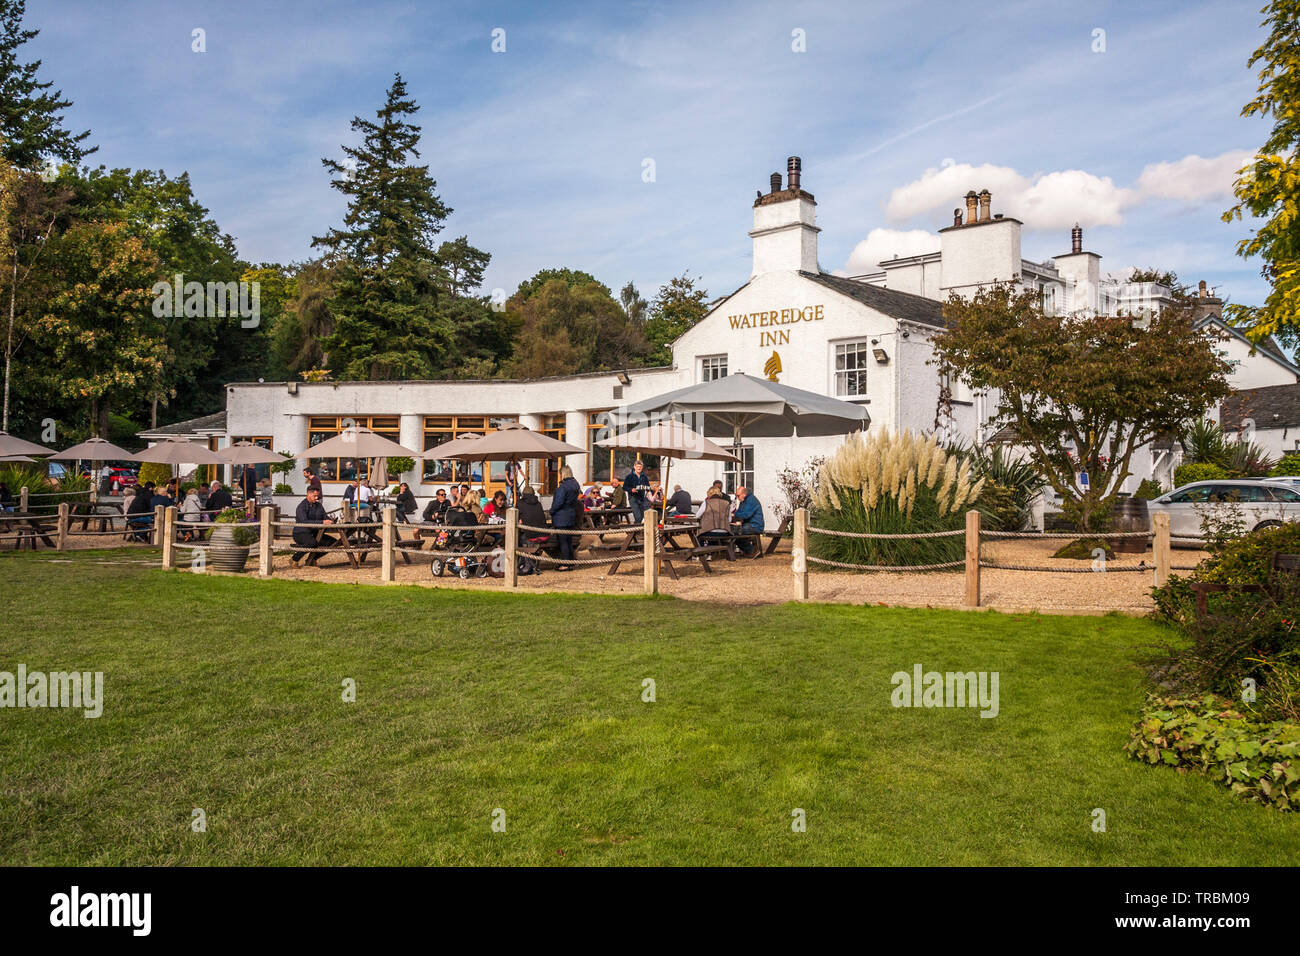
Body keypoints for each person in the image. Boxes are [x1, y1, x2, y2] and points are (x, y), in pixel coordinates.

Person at [291, 487, 337, 567]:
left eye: (317, 496)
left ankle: (312, 559)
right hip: (301, 532)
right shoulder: (301, 507)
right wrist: (322, 522)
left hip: (315, 533)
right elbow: (304, 521)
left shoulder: (319, 505)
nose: (316, 498)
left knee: (333, 543)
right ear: (308, 494)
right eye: (314, 496)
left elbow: (324, 516)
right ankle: (294, 559)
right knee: (312, 543)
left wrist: (331, 520)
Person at [549, 464, 581, 571]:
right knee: (568, 541)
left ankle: (566, 564)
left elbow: (558, 502)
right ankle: (570, 562)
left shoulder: (563, 487)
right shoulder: (575, 485)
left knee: (563, 542)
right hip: (571, 515)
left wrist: (551, 511)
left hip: (561, 517)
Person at [731, 485, 765, 554]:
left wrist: (734, 515)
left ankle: (752, 551)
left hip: (755, 525)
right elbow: (739, 512)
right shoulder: (744, 500)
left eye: (738, 495)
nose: (737, 498)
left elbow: (746, 515)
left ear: (744, 494)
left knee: (736, 533)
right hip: (748, 524)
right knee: (733, 531)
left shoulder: (751, 500)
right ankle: (749, 551)